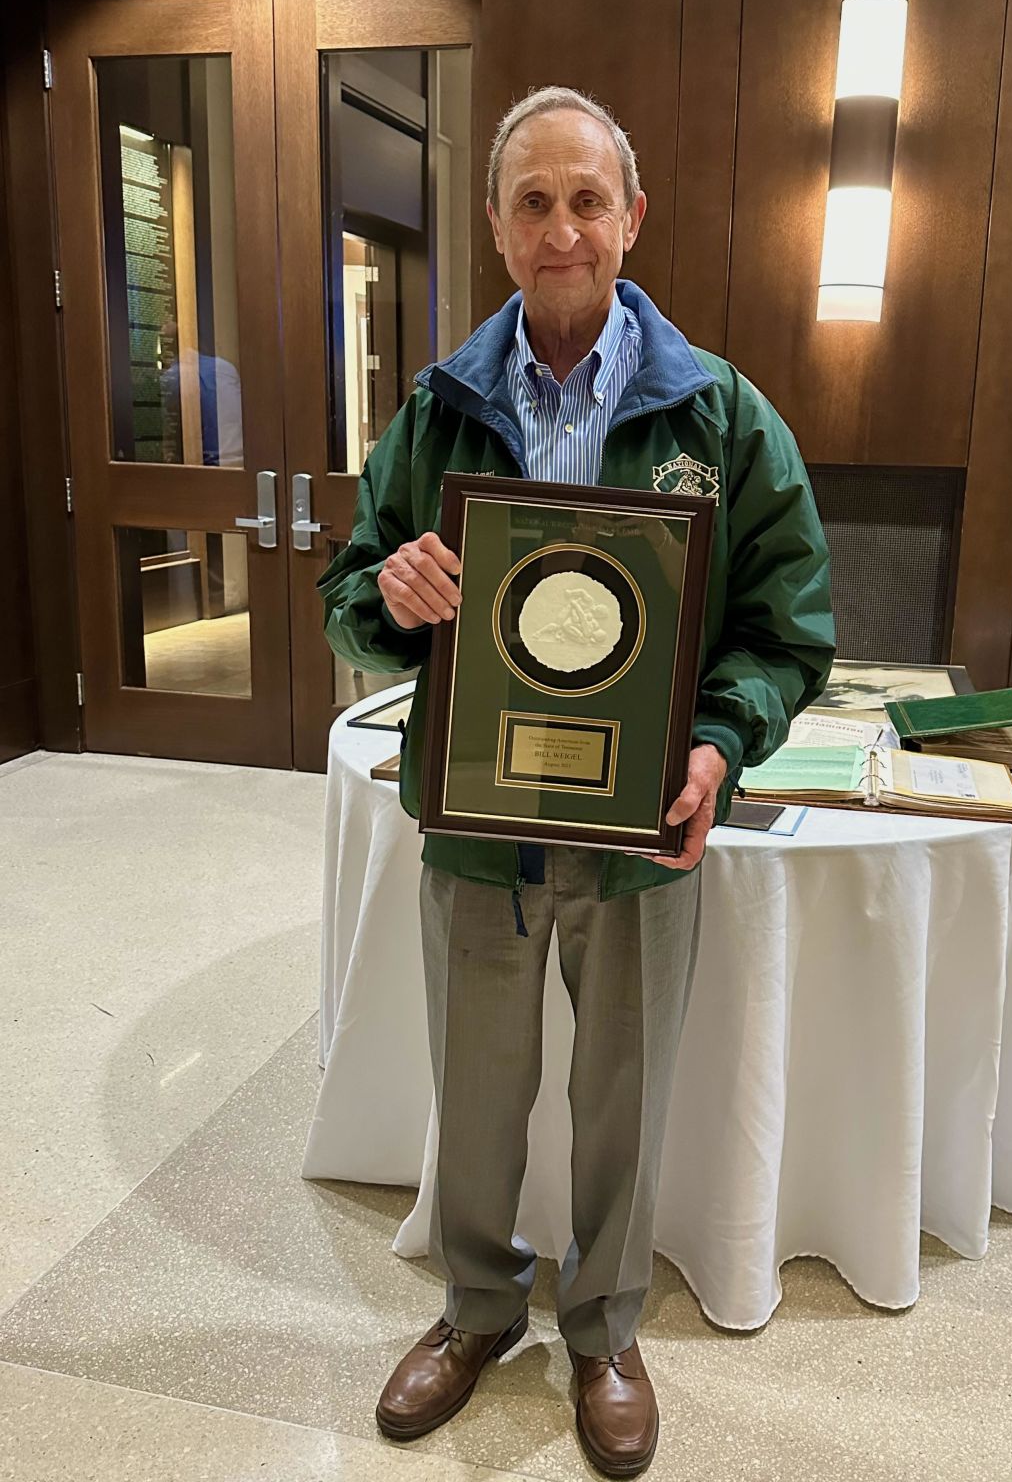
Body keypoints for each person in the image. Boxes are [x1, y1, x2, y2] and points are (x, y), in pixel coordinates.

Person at [317, 84, 836, 1477]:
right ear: (495, 228)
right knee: (478, 1092)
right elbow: (346, 598)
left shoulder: (719, 412)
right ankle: (479, 1306)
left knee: (624, 1095)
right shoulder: (438, 410)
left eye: (586, 199)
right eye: (533, 202)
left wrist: (723, 741)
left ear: (632, 218)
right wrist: (396, 590)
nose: (562, 228)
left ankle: (603, 1327)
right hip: (480, 825)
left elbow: (789, 627)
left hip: (635, 831)